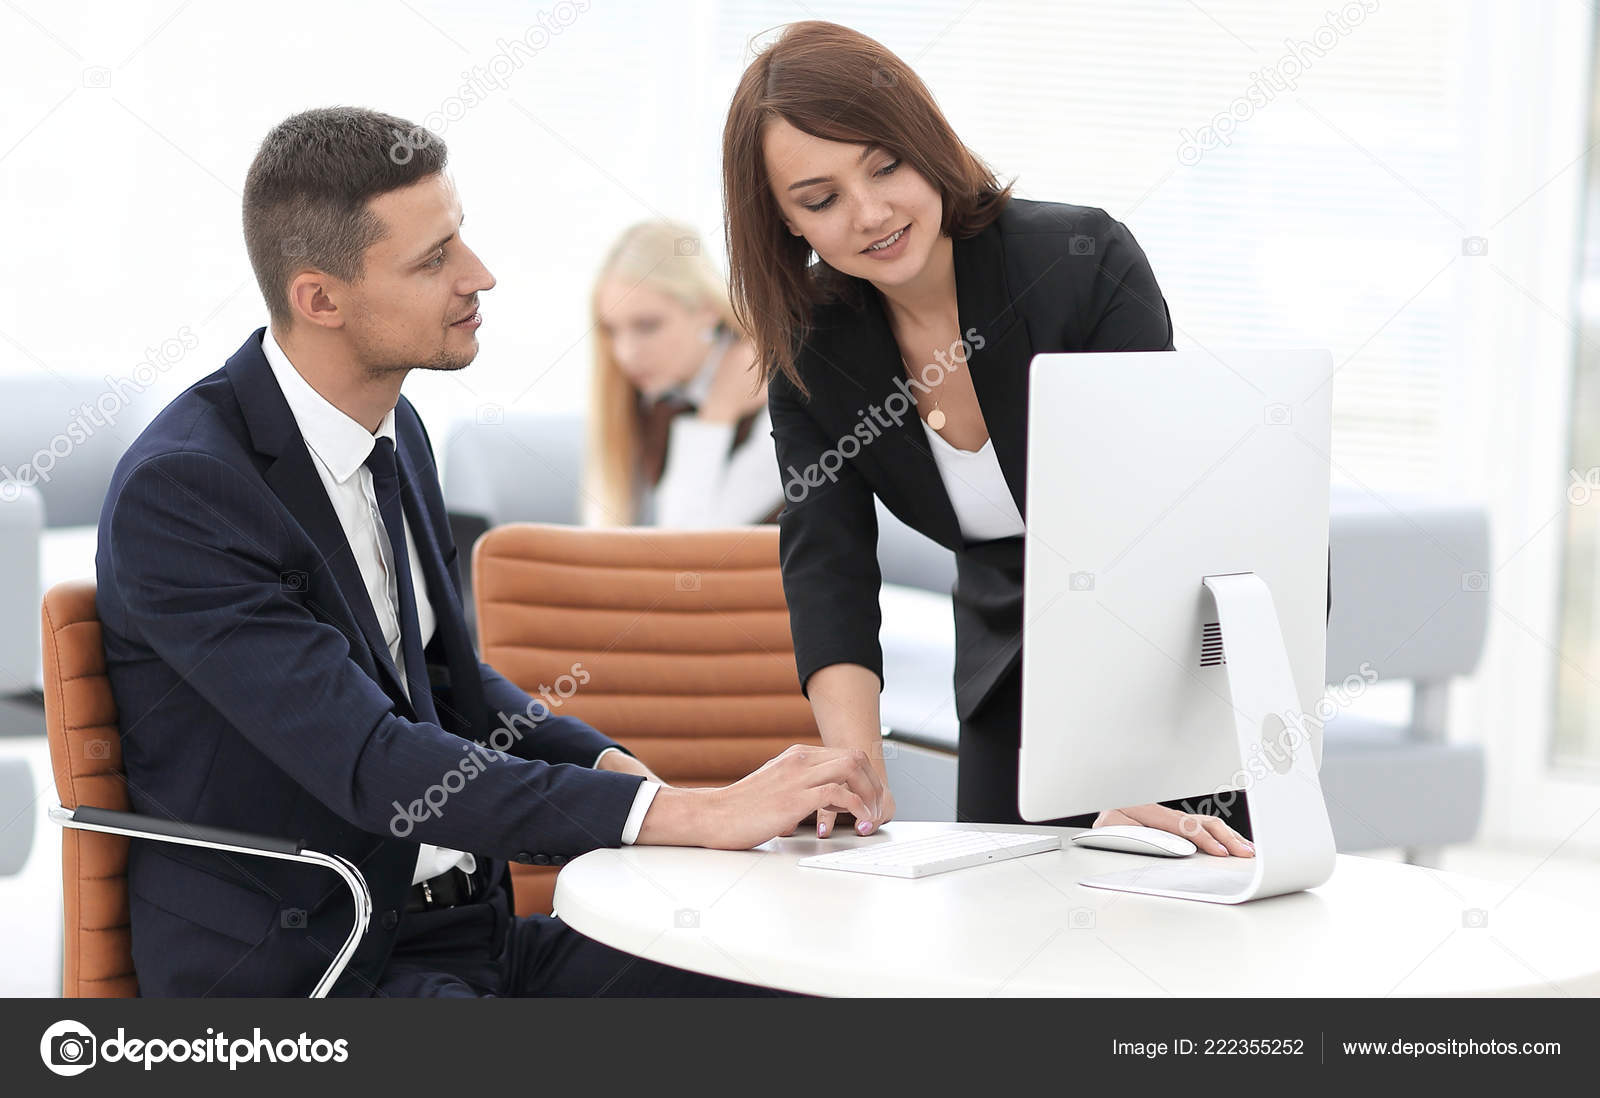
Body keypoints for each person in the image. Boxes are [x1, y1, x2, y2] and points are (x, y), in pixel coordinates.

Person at [95, 106, 887, 997]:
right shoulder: (188, 492)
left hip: (468, 934)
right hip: (323, 966)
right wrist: (686, 814)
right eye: (433, 260)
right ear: (321, 298)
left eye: (459, 238)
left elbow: (443, 684)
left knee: (790, 982)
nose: (480, 276)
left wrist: (613, 769)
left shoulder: (396, 432)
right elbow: (375, 762)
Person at [723, 22, 1329, 850]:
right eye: (820, 199)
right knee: (1007, 943)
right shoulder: (811, 352)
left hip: (1167, 656)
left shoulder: (1078, 261)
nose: (869, 214)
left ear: (924, 143)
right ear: (786, 222)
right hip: (1008, 669)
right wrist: (853, 773)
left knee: (1183, 935)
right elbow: (826, 559)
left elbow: (1146, 523)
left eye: (885, 165)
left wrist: (1131, 772)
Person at [584, 220, 782, 527]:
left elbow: (685, 541)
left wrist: (718, 412)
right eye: (611, 330)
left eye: (647, 326)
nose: (626, 354)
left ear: (707, 310)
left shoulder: (779, 396)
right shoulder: (651, 394)